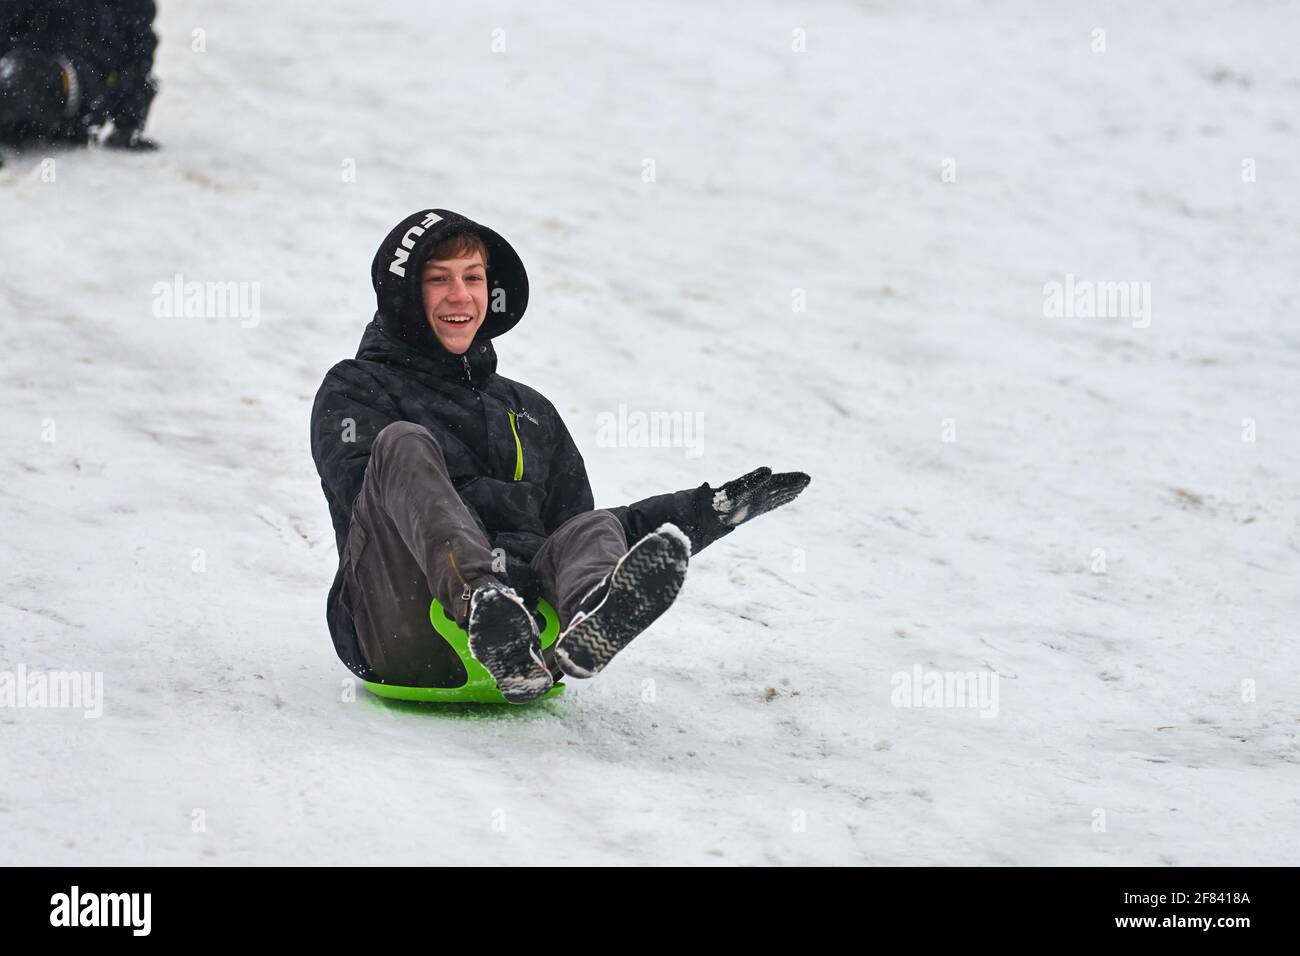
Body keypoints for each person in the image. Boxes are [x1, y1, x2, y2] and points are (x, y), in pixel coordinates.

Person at [310, 209, 810, 703]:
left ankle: (589, 617)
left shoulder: (530, 411)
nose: (460, 295)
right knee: (401, 443)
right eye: (438, 280)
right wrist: (485, 578)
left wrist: (709, 512)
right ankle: (486, 608)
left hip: (534, 648)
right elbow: (375, 512)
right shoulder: (355, 389)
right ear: (403, 296)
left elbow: (569, 536)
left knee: (591, 528)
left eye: (473, 277)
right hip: (407, 633)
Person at [0, 0, 158, 160]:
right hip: (23, 61)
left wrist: (129, 121)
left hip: (77, 85)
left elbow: (138, 54)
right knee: (17, 74)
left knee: (22, 78)